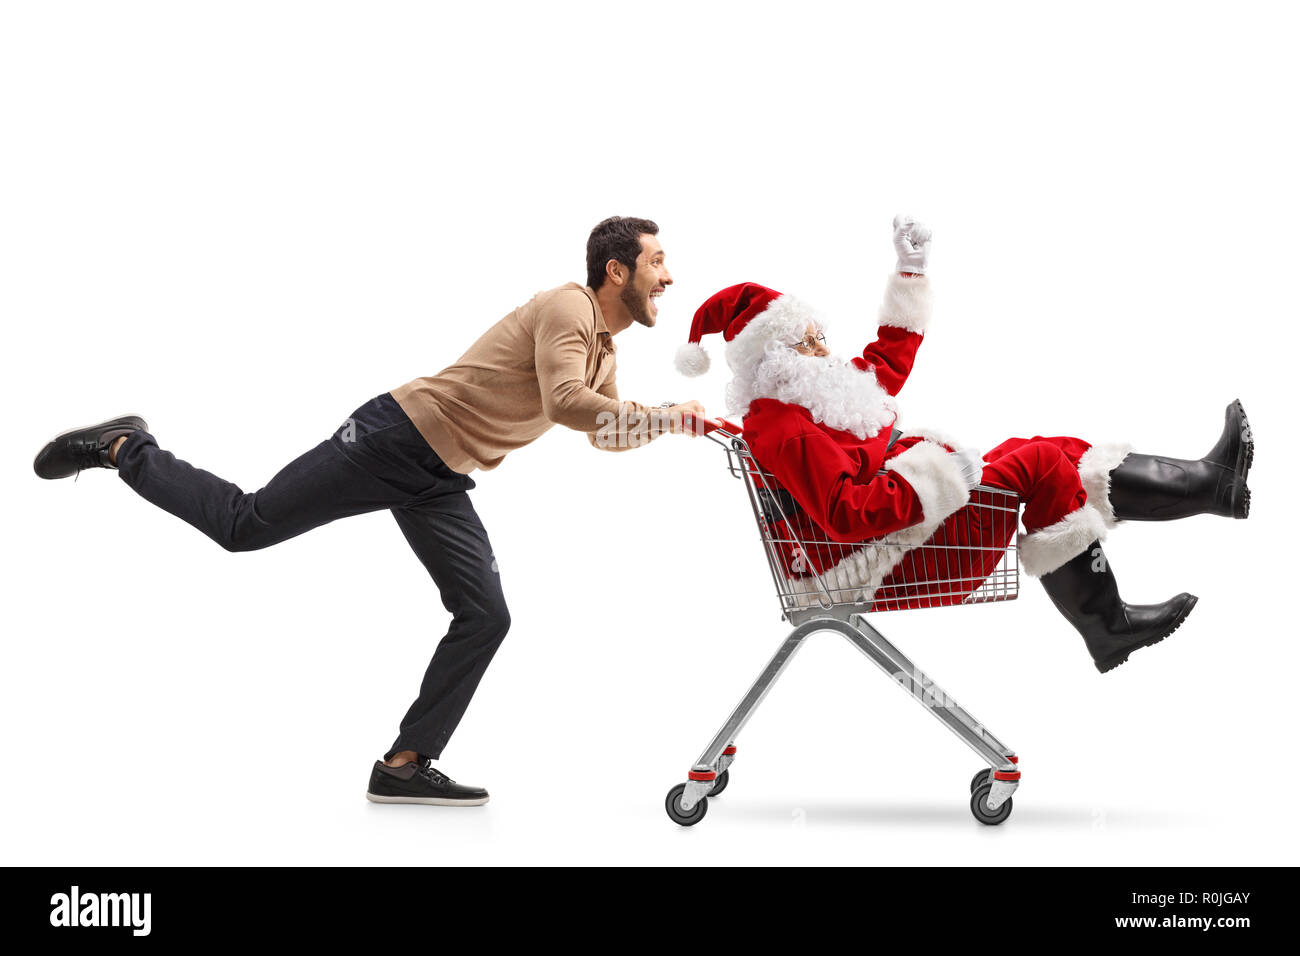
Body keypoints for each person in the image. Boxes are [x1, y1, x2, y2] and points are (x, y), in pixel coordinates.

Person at [34, 216, 706, 804]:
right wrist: (668, 415)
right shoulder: (568, 306)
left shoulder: (605, 349)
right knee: (243, 525)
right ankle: (126, 446)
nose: (668, 276)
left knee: (486, 614)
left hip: (438, 475)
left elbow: (601, 430)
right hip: (393, 437)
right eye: (657, 261)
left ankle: (404, 767)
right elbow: (565, 402)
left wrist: (672, 426)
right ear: (616, 271)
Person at [674, 216, 1252, 673]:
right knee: (1040, 463)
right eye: (808, 343)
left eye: (821, 337)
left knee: (1052, 447)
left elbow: (881, 366)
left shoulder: (814, 399)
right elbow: (845, 514)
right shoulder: (786, 424)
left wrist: (910, 272)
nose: (825, 352)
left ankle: (1208, 492)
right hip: (891, 558)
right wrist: (934, 472)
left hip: (915, 535)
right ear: (771, 360)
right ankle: (1112, 618)